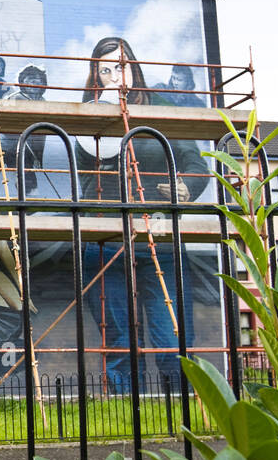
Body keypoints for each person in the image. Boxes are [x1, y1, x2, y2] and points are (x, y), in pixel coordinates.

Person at [77, 37, 207, 392]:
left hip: (159, 232)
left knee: (172, 337)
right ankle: (125, 415)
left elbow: (195, 162)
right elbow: (84, 169)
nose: (115, 75)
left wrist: (187, 188)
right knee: (117, 337)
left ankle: (181, 411)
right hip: (104, 234)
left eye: (121, 65)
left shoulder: (160, 105)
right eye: (105, 69)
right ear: (97, 75)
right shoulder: (87, 109)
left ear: (133, 66)